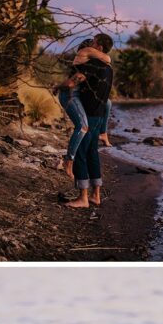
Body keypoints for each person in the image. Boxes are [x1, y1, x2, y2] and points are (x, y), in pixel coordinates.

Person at [57, 33, 114, 212]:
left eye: (94, 42)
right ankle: (95, 195)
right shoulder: (109, 68)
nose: (92, 43)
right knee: (92, 153)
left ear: (99, 47)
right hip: (99, 115)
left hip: (89, 114)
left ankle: (83, 198)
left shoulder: (93, 65)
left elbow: (75, 81)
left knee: (81, 152)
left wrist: (59, 86)